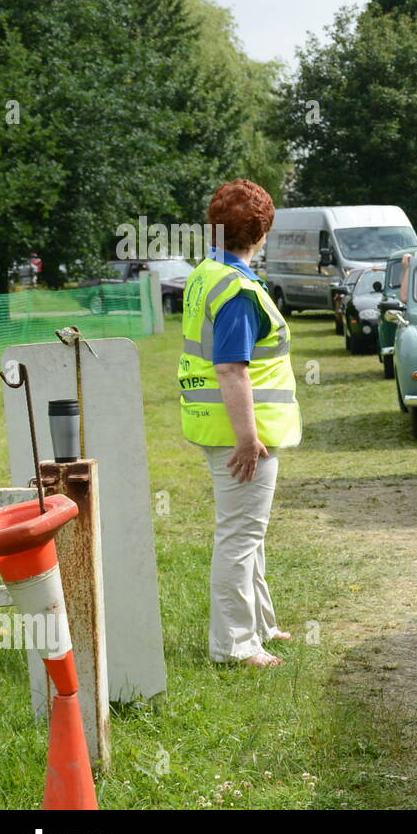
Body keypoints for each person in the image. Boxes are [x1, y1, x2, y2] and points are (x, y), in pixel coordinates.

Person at [178, 179, 301, 668]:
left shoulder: (206, 273)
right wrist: (248, 439)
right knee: (240, 535)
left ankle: (260, 625)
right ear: (263, 232)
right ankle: (234, 645)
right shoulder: (238, 289)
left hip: (216, 426)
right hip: (243, 436)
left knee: (249, 532)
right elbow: (231, 368)